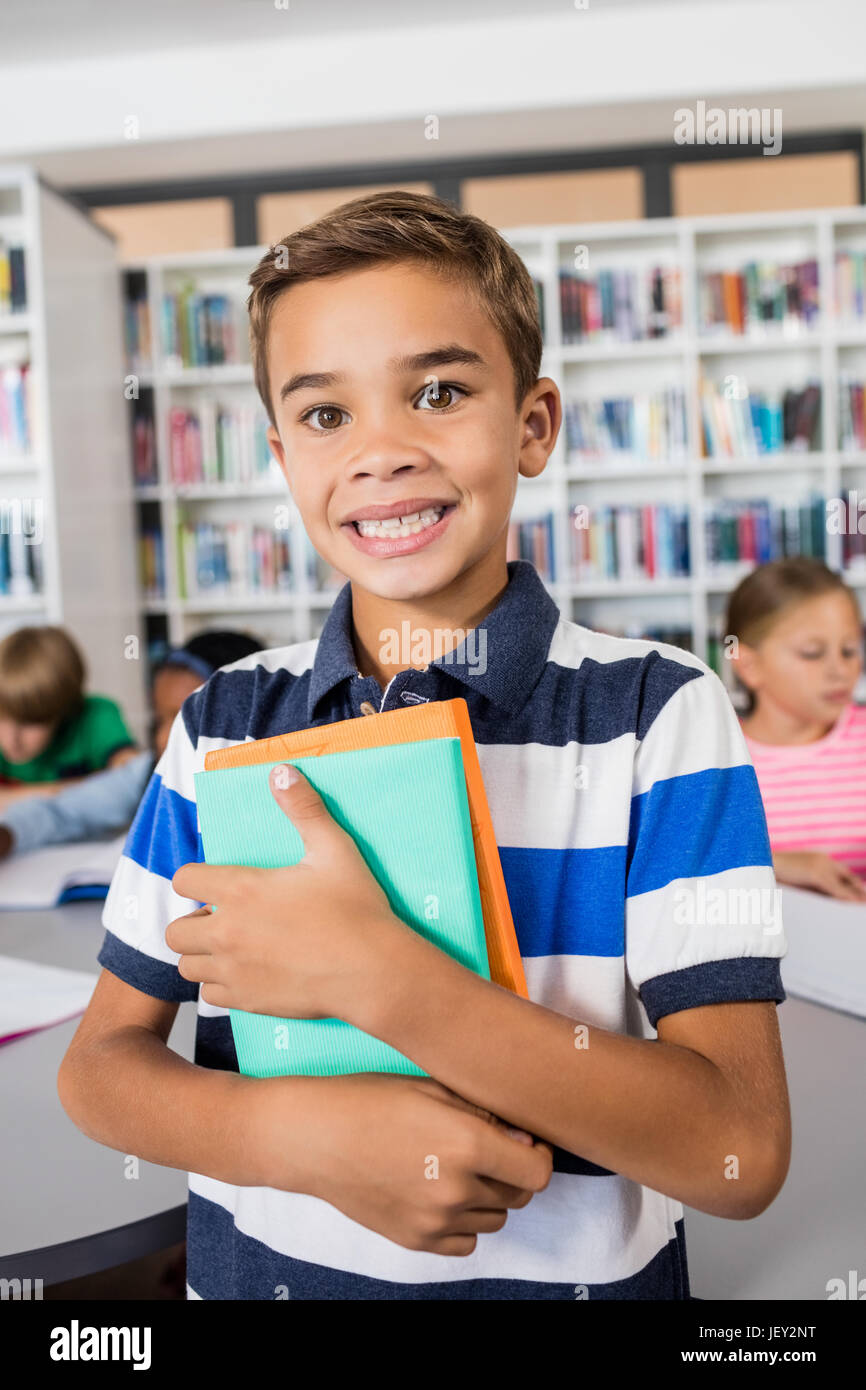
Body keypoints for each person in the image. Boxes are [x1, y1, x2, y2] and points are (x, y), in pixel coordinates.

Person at [59, 191, 790, 1301]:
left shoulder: (657, 715)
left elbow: (736, 1152)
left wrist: (387, 983)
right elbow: (102, 1070)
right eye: (323, 416)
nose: (381, 452)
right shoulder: (220, 721)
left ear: (531, 424)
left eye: (438, 392)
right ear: (278, 457)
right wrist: (303, 1136)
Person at [0, 630, 264, 861]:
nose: (164, 739)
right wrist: (8, 835)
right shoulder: (148, 773)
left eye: (188, 719)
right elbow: (62, 812)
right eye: (160, 719)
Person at [726, 556, 866, 901]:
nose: (841, 670)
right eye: (812, 653)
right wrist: (779, 864)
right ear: (750, 665)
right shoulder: (719, 761)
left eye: (850, 650)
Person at [0, 625, 138, 804]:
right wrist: (88, 788)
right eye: (2, 717)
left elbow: (132, 782)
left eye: (31, 721)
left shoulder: (96, 716)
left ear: (64, 709)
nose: (11, 739)